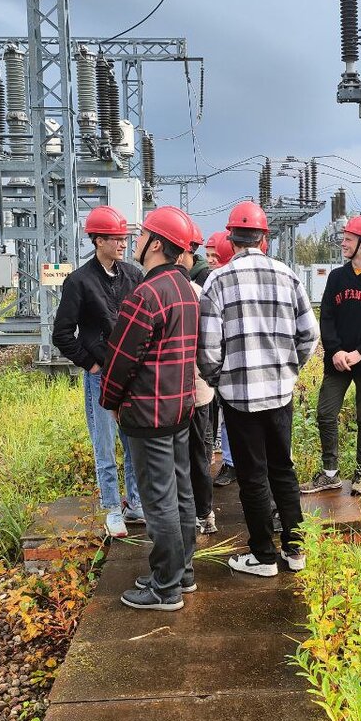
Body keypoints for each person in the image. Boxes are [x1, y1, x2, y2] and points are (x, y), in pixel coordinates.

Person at [199, 201, 318, 577]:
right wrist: (289, 370)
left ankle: (264, 556)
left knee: (252, 475)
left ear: (231, 239)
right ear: (264, 238)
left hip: (239, 397)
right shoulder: (288, 275)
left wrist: (220, 379)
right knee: (283, 467)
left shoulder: (217, 281)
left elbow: (207, 348)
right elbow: (309, 334)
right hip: (280, 393)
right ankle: (296, 551)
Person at [101, 205, 201, 611]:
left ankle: (165, 588)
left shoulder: (146, 294)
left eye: (140, 236)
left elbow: (121, 358)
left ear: (156, 244)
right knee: (181, 492)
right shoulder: (185, 290)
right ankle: (183, 572)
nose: (134, 242)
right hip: (179, 409)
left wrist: (110, 401)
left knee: (158, 500)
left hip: (148, 413)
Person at [52, 206, 143, 538]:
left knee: (133, 441)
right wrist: (91, 364)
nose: (122, 243)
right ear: (98, 240)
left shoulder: (133, 276)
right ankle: (112, 509)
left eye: (124, 238)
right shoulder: (78, 281)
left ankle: (135, 503)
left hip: (131, 374)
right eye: (117, 238)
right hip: (101, 375)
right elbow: (62, 334)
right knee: (104, 445)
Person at [302, 215, 361, 498]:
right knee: (325, 413)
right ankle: (330, 473)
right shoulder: (337, 277)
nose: (343, 243)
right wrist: (336, 351)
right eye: (344, 238)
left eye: (349, 239)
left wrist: (359, 353)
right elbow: (326, 317)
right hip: (338, 360)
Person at [177, 219, 217, 535]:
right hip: (201, 390)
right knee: (200, 454)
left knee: (183, 458)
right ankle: (204, 514)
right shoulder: (200, 292)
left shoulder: (174, 291)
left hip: (179, 393)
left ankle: (194, 515)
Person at [208, 232, 239, 488]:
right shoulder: (214, 282)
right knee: (226, 417)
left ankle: (233, 463)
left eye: (214, 256)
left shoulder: (224, 282)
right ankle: (230, 462)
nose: (211, 261)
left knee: (232, 418)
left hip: (233, 364)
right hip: (224, 365)